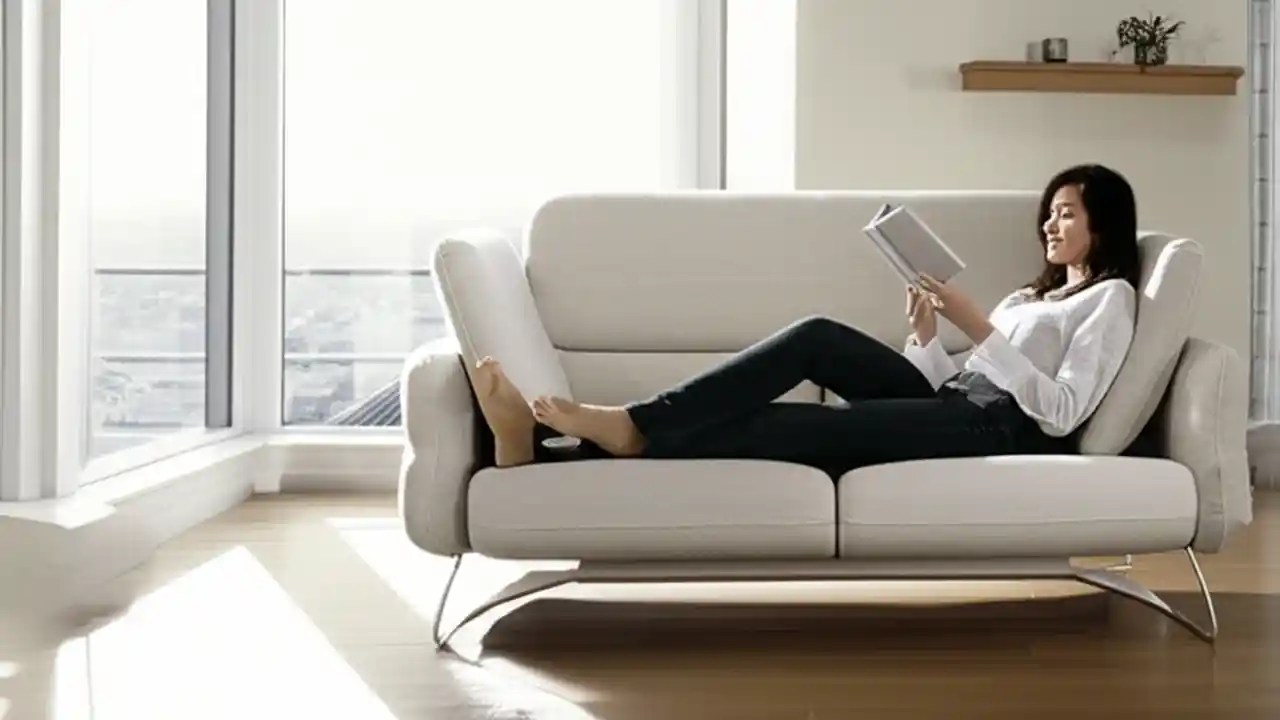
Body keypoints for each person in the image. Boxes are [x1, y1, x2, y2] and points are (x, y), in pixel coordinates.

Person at [469, 163, 1140, 477]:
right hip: (956, 403)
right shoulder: (1031, 298)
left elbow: (1062, 412)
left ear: (1102, 221)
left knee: (799, 424)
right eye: (1049, 211)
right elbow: (951, 382)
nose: (1051, 223)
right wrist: (933, 337)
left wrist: (982, 328)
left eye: (1068, 212)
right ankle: (603, 432)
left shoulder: (1109, 300)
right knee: (815, 335)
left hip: (999, 429)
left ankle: (591, 437)